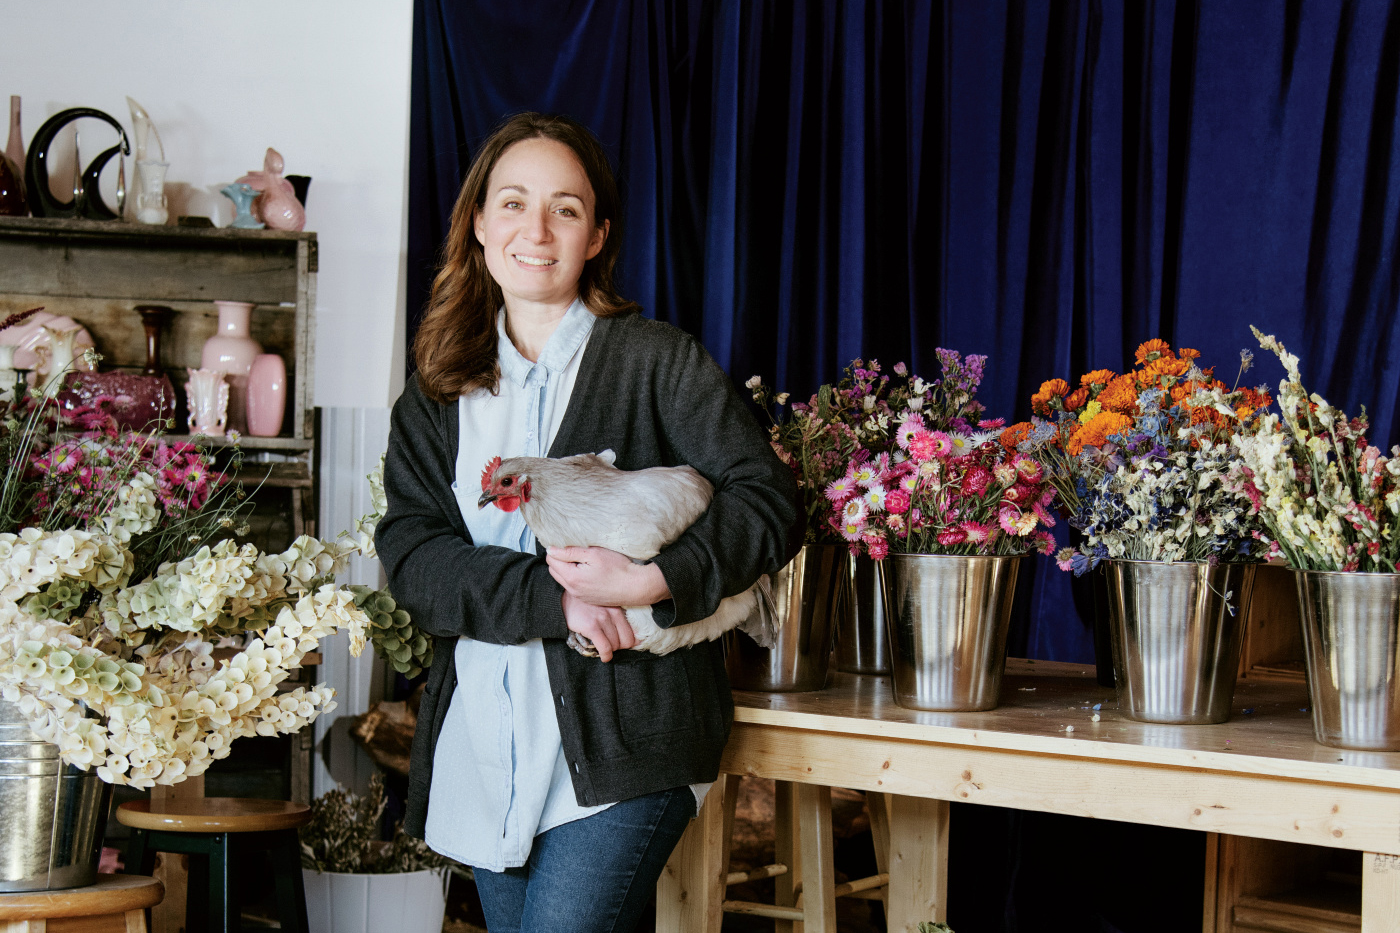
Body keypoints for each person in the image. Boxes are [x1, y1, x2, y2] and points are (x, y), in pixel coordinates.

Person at [375, 112, 799, 933]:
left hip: (627, 739)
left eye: (565, 209)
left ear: (597, 235)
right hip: (486, 748)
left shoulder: (655, 361)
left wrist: (657, 578)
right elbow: (414, 555)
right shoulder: (436, 391)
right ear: (477, 222)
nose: (536, 230)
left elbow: (768, 498)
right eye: (513, 203)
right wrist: (556, 598)